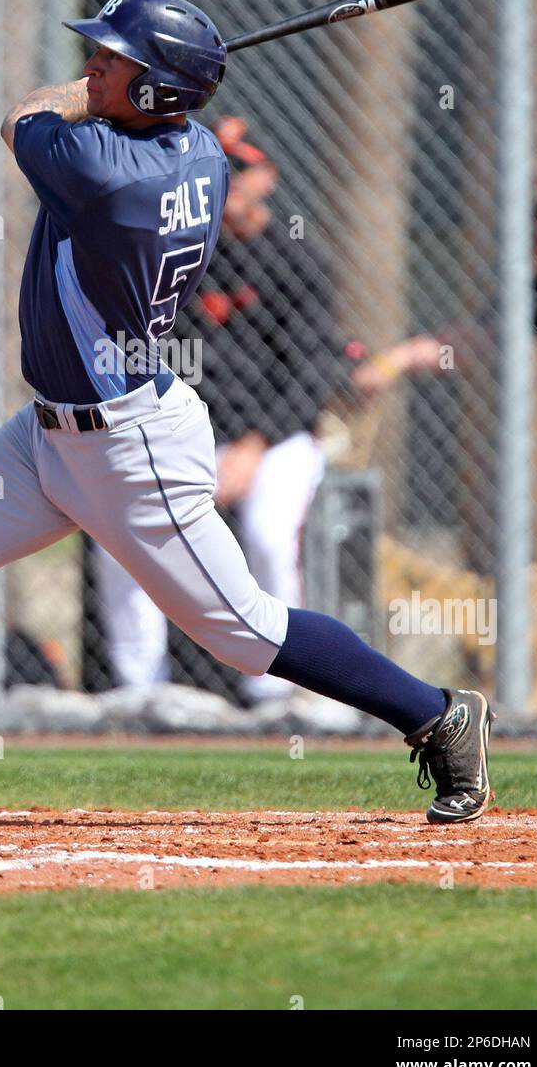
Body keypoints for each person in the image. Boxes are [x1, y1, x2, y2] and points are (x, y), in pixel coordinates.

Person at [0, 0, 493, 828]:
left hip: (131, 449)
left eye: (111, 59)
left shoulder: (104, 171)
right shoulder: (198, 152)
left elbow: (21, 116)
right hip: (50, 434)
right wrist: (141, 79)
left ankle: (439, 717)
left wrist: (100, 90)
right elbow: (124, 116)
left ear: (161, 92)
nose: (91, 67)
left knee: (244, 632)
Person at [95, 113, 445, 703]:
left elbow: (311, 373)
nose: (226, 181)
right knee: (125, 523)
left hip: (282, 437)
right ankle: (141, 690)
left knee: (265, 528)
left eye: (240, 169)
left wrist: (254, 447)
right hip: (193, 432)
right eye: (215, 169)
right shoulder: (175, 251)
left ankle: (277, 695)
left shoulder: (295, 258)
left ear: (269, 179)